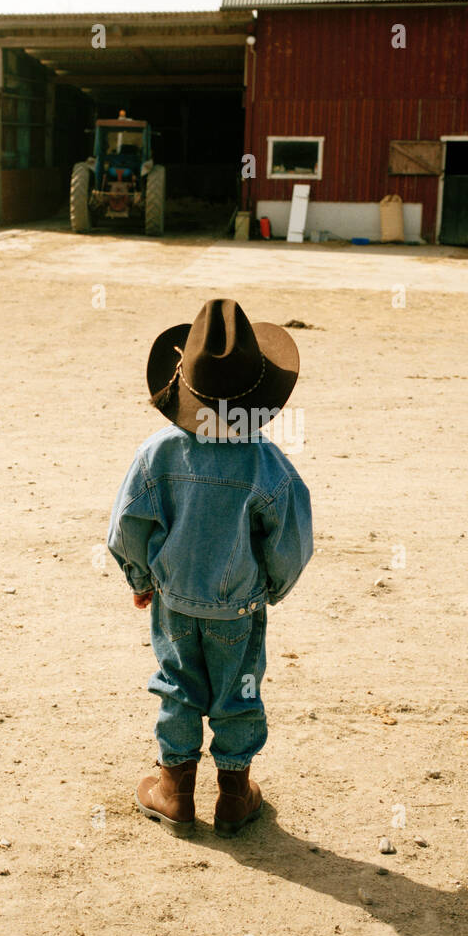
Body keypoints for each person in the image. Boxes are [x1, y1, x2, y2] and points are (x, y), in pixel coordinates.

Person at [108, 298, 313, 837]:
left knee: (176, 684)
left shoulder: (157, 453)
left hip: (174, 602)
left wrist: (142, 579)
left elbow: (127, 526)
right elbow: (291, 542)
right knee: (239, 690)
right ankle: (234, 795)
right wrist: (267, 587)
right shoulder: (267, 463)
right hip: (239, 607)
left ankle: (175, 790)